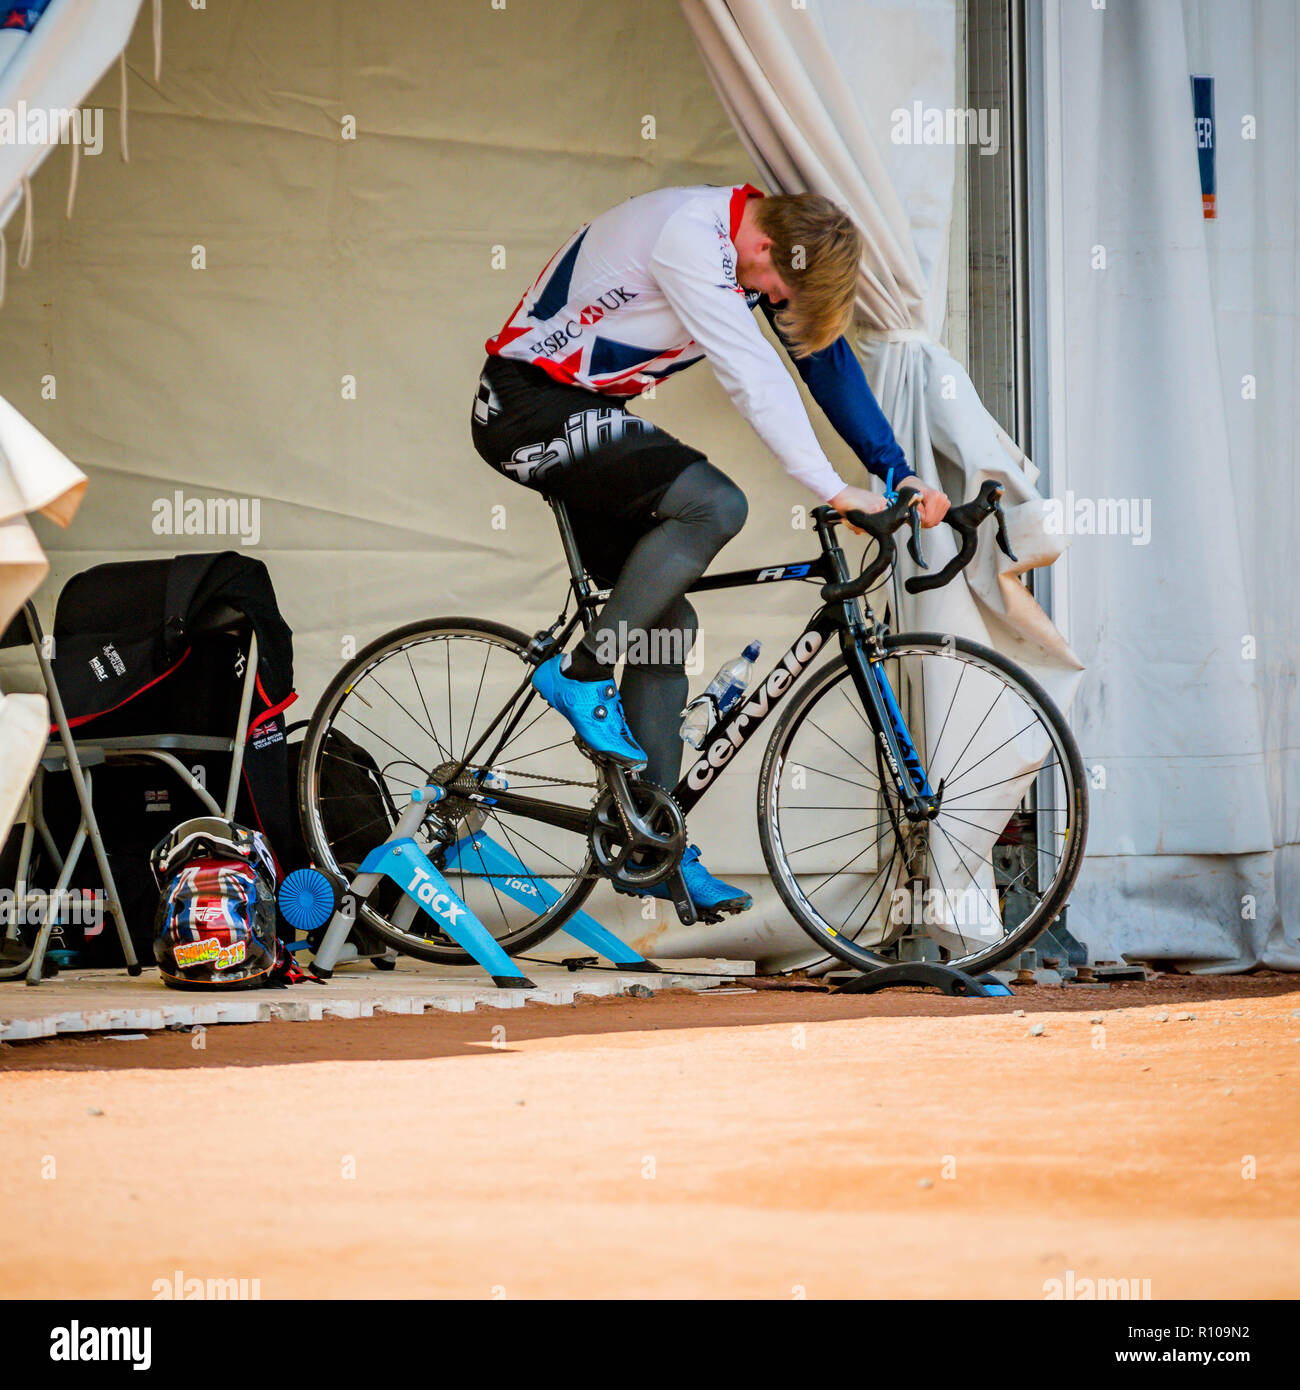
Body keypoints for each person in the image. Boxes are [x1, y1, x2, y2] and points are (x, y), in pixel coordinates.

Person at [470, 182, 949, 915]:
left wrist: (896, 471)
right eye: (777, 292)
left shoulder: (754, 250)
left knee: (668, 627)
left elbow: (822, 364)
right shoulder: (691, 237)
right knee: (716, 504)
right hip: (522, 406)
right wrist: (830, 488)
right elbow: (751, 373)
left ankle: (651, 841)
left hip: (581, 412)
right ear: (765, 249)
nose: (773, 303)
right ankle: (582, 671)